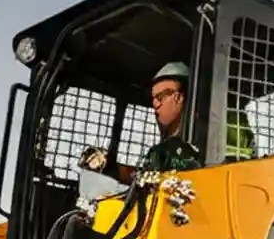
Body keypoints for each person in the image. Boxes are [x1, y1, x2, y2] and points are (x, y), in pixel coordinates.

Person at [79, 61, 257, 184]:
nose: (155, 104)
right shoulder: (174, 145)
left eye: (160, 97)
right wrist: (111, 169)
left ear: (179, 96)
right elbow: (147, 177)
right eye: (153, 99)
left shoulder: (176, 147)